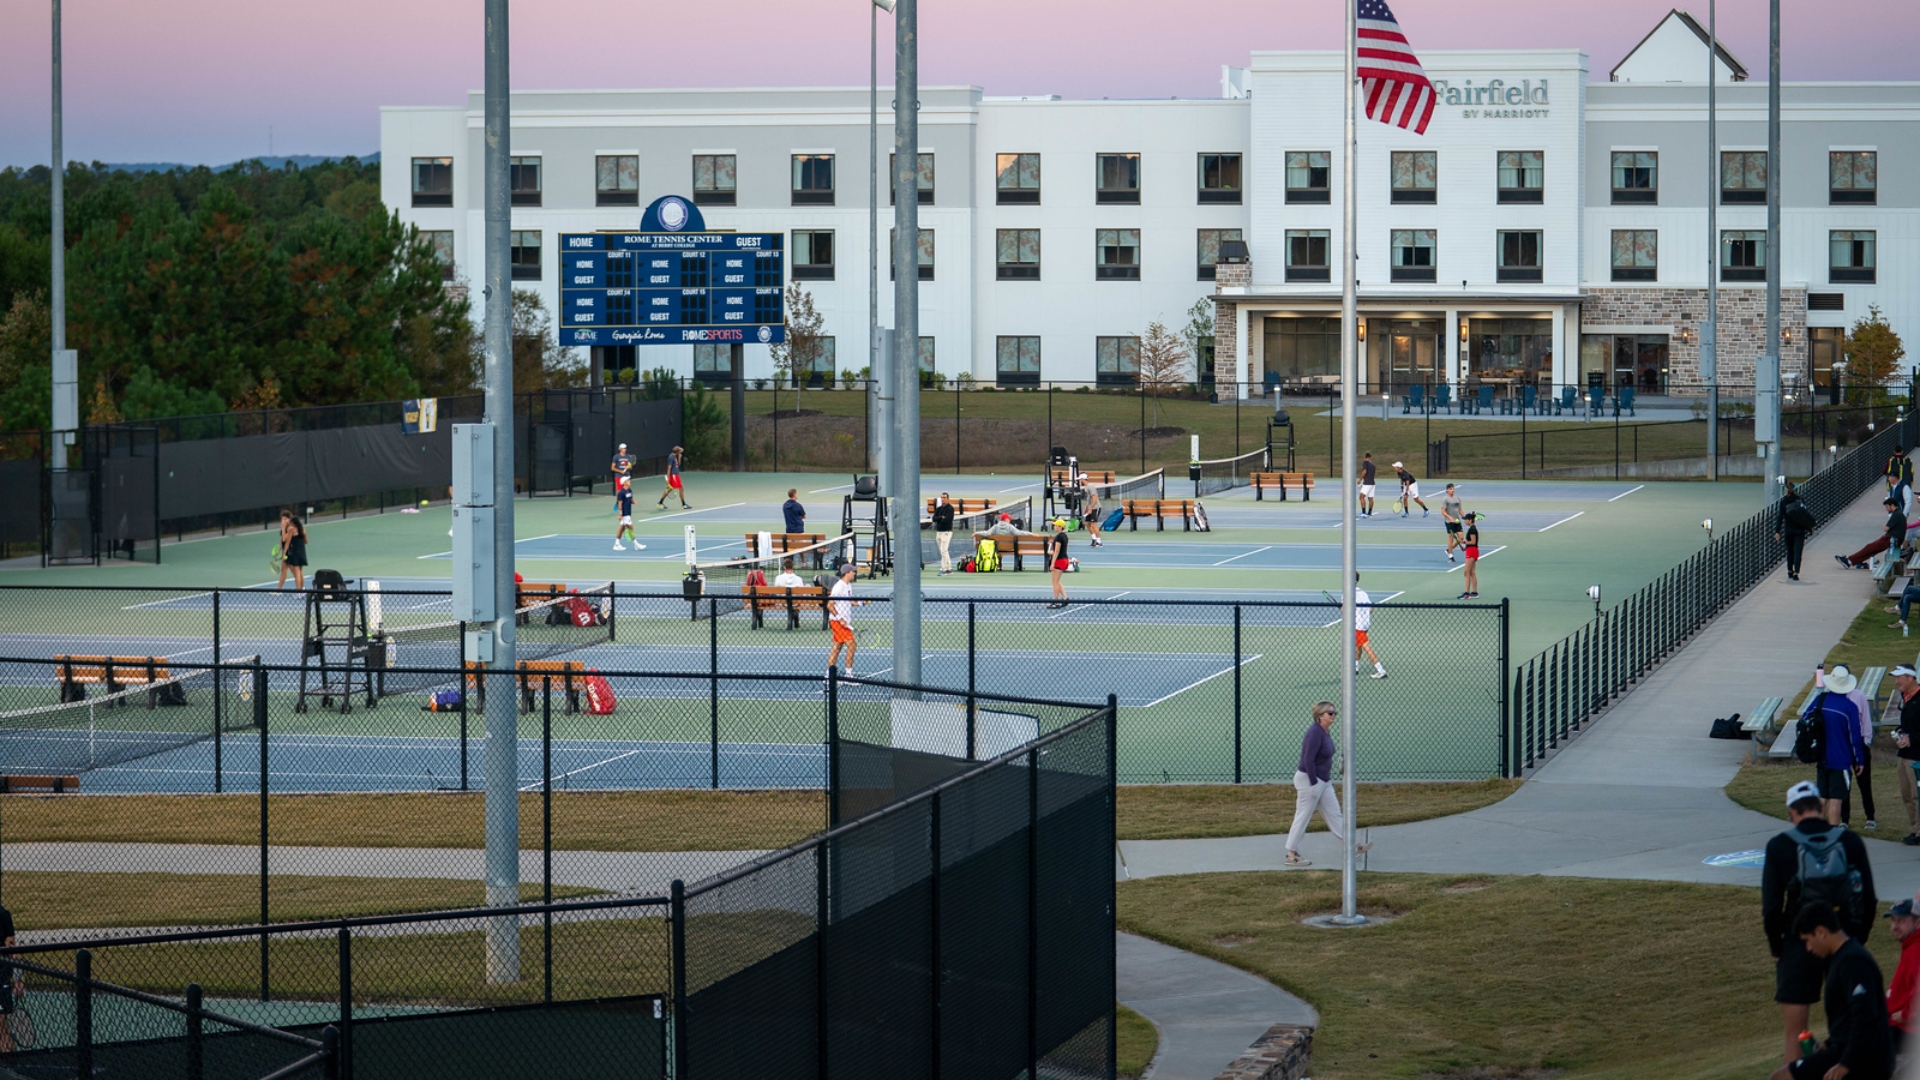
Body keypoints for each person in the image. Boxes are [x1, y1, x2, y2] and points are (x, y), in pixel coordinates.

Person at [1762, 780, 1878, 1068]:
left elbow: (1771, 908)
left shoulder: (1779, 846)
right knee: (1846, 1029)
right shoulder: (1849, 841)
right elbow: (1870, 899)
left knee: (1797, 1033)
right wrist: (1855, 941)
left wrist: (1778, 947)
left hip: (1797, 942)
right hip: (1841, 940)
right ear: (1820, 805)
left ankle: (1800, 1072)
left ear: (1791, 811)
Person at [1769, 902, 1894, 1080]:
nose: (1808, 948)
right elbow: (1847, 1021)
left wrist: (1845, 1064)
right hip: (1845, 1051)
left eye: (1807, 940)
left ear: (1821, 932)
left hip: (1865, 1062)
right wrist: (1827, 1045)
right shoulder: (1842, 958)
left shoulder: (1853, 961)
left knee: (1781, 1077)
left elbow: (1866, 1018)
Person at [1284, 701, 1346, 867]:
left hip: (1323, 780)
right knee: (1303, 816)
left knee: (1335, 814)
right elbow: (1308, 759)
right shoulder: (1314, 733)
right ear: (1320, 716)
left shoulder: (1325, 732)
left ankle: (1351, 845)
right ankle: (1291, 854)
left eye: (1334, 712)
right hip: (1310, 780)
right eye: (1330, 713)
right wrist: (1313, 783)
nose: (1334, 715)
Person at [1808, 666, 1870, 826]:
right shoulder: (1850, 707)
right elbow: (1855, 737)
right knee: (1836, 801)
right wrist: (1860, 760)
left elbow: (1806, 718)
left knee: (1822, 797)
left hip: (1822, 757)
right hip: (1841, 759)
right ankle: (1833, 837)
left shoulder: (1820, 701)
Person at [1884, 898, 1920, 1055]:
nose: (1895, 926)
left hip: (1906, 1034)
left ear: (1917, 923)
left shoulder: (1916, 949)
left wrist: (1907, 1015)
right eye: (1893, 920)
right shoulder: (1911, 946)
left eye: (1902, 920)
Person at [1890, 665, 1920, 846]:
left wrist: (1911, 740)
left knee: (1917, 795)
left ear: (1911, 678)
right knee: (1906, 794)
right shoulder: (1907, 698)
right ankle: (1914, 829)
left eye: (1899, 677)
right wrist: (1899, 733)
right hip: (1904, 754)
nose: (1896, 681)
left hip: (1917, 757)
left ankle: (1919, 832)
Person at [1836, 495, 1905, 570]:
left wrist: (1885, 526)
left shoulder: (1896, 514)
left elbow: (1885, 528)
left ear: (1892, 505)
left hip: (1890, 540)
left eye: (1887, 506)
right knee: (1871, 550)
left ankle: (1849, 560)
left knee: (1869, 547)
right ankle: (1850, 561)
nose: (1886, 508)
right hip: (1893, 539)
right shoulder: (1898, 513)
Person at [825, 563, 864, 684]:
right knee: (852, 645)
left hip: (844, 622)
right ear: (847, 573)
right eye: (853, 571)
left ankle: (828, 675)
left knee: (837, 648)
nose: (854, 573)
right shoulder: (838, 587)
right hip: (838, 622)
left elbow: (851, 601)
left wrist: (862, 603)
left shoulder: (848, 586)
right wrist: (840, 619)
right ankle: (848, 675)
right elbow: (829, 605)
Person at [1778, 481, 1814, 582]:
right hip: (1799, 530)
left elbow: (1780, 517)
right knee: (1798, 552)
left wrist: (1777, 531)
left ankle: (1789, 570)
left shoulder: (1784, 502)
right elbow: (1805, 516)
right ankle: (1796, 572)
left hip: (1788, 530)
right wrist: (1810, 528)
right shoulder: (1800, 500)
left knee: (1790, 551)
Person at [1354, 572, 1386, 679]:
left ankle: (1380, 670)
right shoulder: (1363, 593)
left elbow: (1345, 611)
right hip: (1366, 624)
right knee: (1358, 645)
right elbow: (1371, 609)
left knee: (1366, 647)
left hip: (1358, 626)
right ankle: (1355, 667)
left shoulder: (1347, 593)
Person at [0, 901, 19, 1056]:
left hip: (1, 979)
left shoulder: (3, 914)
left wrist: (18, 980)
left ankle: (10, 1067)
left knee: (1, 1027)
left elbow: (14, 949)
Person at [275, 509, 308, 590]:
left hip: (291, 553)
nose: (283, 521)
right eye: (282, 519)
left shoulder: (290, 529)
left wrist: (283, 528)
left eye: (285, 519)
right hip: (291, 552)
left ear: (289, 519)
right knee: (287, 572)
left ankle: (299, 590)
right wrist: (279, 550)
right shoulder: (292, 528)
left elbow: (285, 539)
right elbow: (282, 542)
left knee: (296, 573)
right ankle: (279, 590)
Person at [1046, 519, 1071, 610]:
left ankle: (1056, 601)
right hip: (1064, 559)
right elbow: (1064, 549)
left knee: (1055, 582)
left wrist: (1052, 563)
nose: (1054, 526)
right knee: (1056, 581)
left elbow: (1056, 551)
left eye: (1056, 525)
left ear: (1060, 527)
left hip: (1059, 561)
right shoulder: (1064, 536)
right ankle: (1065, 598)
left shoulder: (1058, 537)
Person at [655, 445, 689, 511]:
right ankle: (684, 504)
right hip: (674, 476)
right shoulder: (671, 457)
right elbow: (669, 468)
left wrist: (679, 457)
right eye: (679, 451)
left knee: (670, 488)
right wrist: (668, 478)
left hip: (676, 475)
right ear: (677, 452)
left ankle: (660, 502)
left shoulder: (675, 457)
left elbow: (677, 465)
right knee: (681, 488)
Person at [931, 493, 957, 575]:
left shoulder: (950, 509)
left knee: (943, 550)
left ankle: (944, 569)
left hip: (946, 532)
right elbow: (934, 518)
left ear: (948, 499)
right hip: (938, 532)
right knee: (943, 551)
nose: (943, 499)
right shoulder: (938, 509)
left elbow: (947, 520)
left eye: (944, 497)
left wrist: (940, 518)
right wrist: (941, 517)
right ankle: (949, 568)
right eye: (942, 497)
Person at [1458, 511, 1481, 600]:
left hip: (1472, 551)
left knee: (1466, 572)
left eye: (1466, 520)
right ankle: (1474, 593)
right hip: (1471, 550)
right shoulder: (1472, 528)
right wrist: (1465, 547)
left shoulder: (1472, 529)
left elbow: (1473, 542)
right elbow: (1471, 543)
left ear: (1470, 520)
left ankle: (1467, 594)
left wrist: (1464, 542)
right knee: (1471, 572)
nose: (1464, 521)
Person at [612, 476, 639, 551]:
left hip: (628, 512)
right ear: (624, 483)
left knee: (622, 528)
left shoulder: (630, 490)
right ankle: (636, 544)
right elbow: (620, 503)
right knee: (630, 527)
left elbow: (630, 499)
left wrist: (633, 501)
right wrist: (620, 514)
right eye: (628, 480)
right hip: (624, 514)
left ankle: (616, 544)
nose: (629, 481)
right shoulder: (621, 493)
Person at [1440, 483, 1465, 564]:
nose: (1452, 490)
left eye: (1453, 489)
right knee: (1451, 538)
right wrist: (1449, 517)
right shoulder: (1445, 499)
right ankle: (1450, 556)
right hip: (1449, 522)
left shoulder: (1457, 498)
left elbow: (1460, 509)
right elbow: (1442, 511)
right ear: (1447, 490)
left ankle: (1449, 550)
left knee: (1461, 538)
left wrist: (1464, 517)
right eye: (1450, 489)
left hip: (1457, 521)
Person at [1081, 481, 1105, 548]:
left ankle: (1099, 542)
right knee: (1087, 523)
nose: (1079, 481)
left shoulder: (1091, 487)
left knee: (1093, 525)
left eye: (1080, 479)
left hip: (1095, 508)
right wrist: (1086, 508)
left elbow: (1094, 499)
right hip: (1090, 507)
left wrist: (1091, 508)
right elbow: (1089, 500)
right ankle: (1094, 539)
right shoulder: (1086, 487)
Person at [1358, 452, 1377, 519]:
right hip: (1372, 483)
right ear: (1370, 457)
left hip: (1367, 483)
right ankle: (1370, 513)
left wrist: (1360, 479)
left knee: (1361, 497)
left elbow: (1365, 471)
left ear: (1365, 457)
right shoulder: (1373, 465)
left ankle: (1363, 513)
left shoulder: (1365, 463)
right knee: (1370, 498)